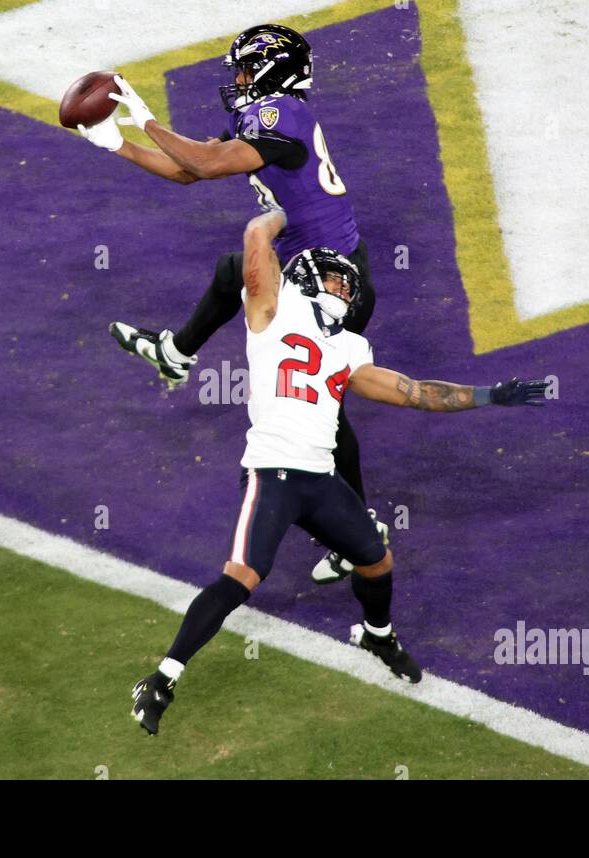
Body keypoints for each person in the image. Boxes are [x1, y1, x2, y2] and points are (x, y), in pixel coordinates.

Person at [130, 209, 548, 735]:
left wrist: (490, 395)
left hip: (321, 478)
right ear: (303, 279)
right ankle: (162, 678)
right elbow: (256, 235)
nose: (344, 290)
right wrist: (284, 212)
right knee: (241, 578)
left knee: (377, 560)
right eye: (334, 279)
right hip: (272, 473)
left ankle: (377, 634)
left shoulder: (348, 347)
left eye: (348, 283)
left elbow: (416, 393)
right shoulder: (271, 310)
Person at [77, 23, 381, 584]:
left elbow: (208, 164)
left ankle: (359, 530)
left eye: (244, 70)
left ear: (270, 73)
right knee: (232, 271)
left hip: (331, 285)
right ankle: (176, 353)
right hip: (307, 265)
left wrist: (146, 121)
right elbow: (189, 169)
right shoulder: (266, 114)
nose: (237, 80)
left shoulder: (279, 116)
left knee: (325, 415)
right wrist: (117, 143)